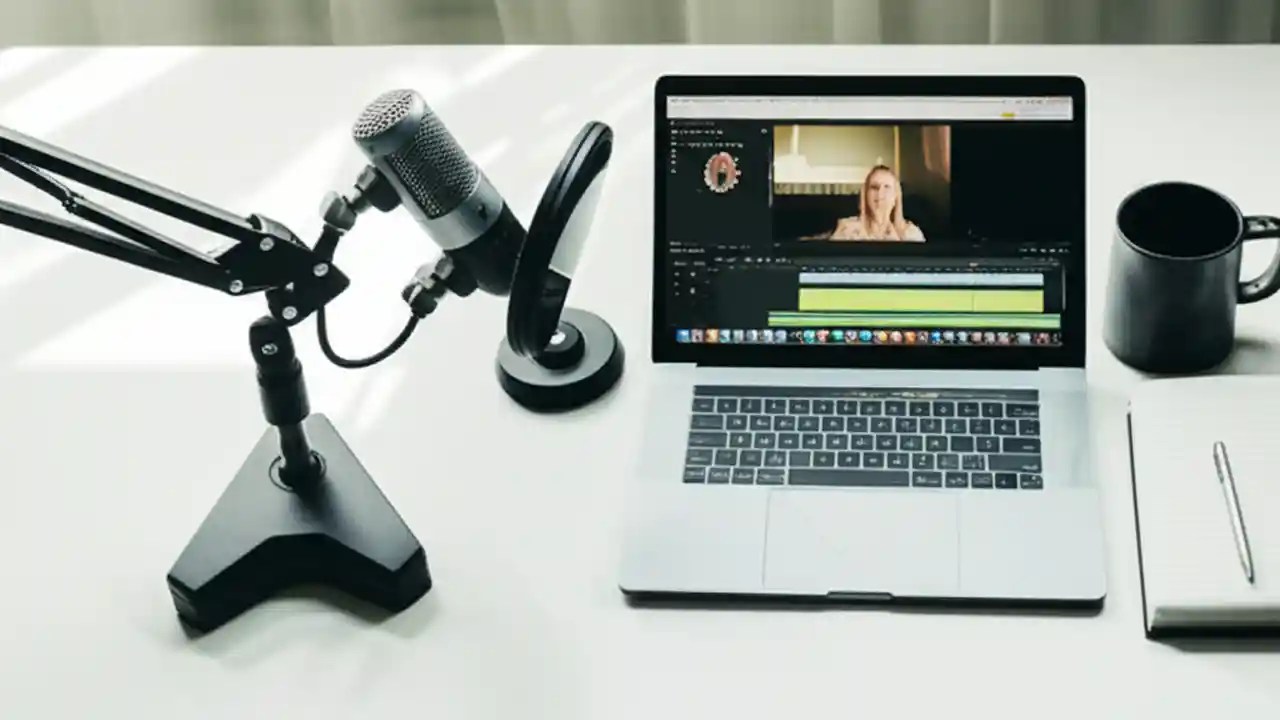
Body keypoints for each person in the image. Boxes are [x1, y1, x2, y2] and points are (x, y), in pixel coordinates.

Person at [828, 165, 925, 242]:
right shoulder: (847, 230)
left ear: (896, 196)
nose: (880, 193)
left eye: (886, 187)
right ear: (866, 195)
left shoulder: (911, 234)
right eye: (874, 187)